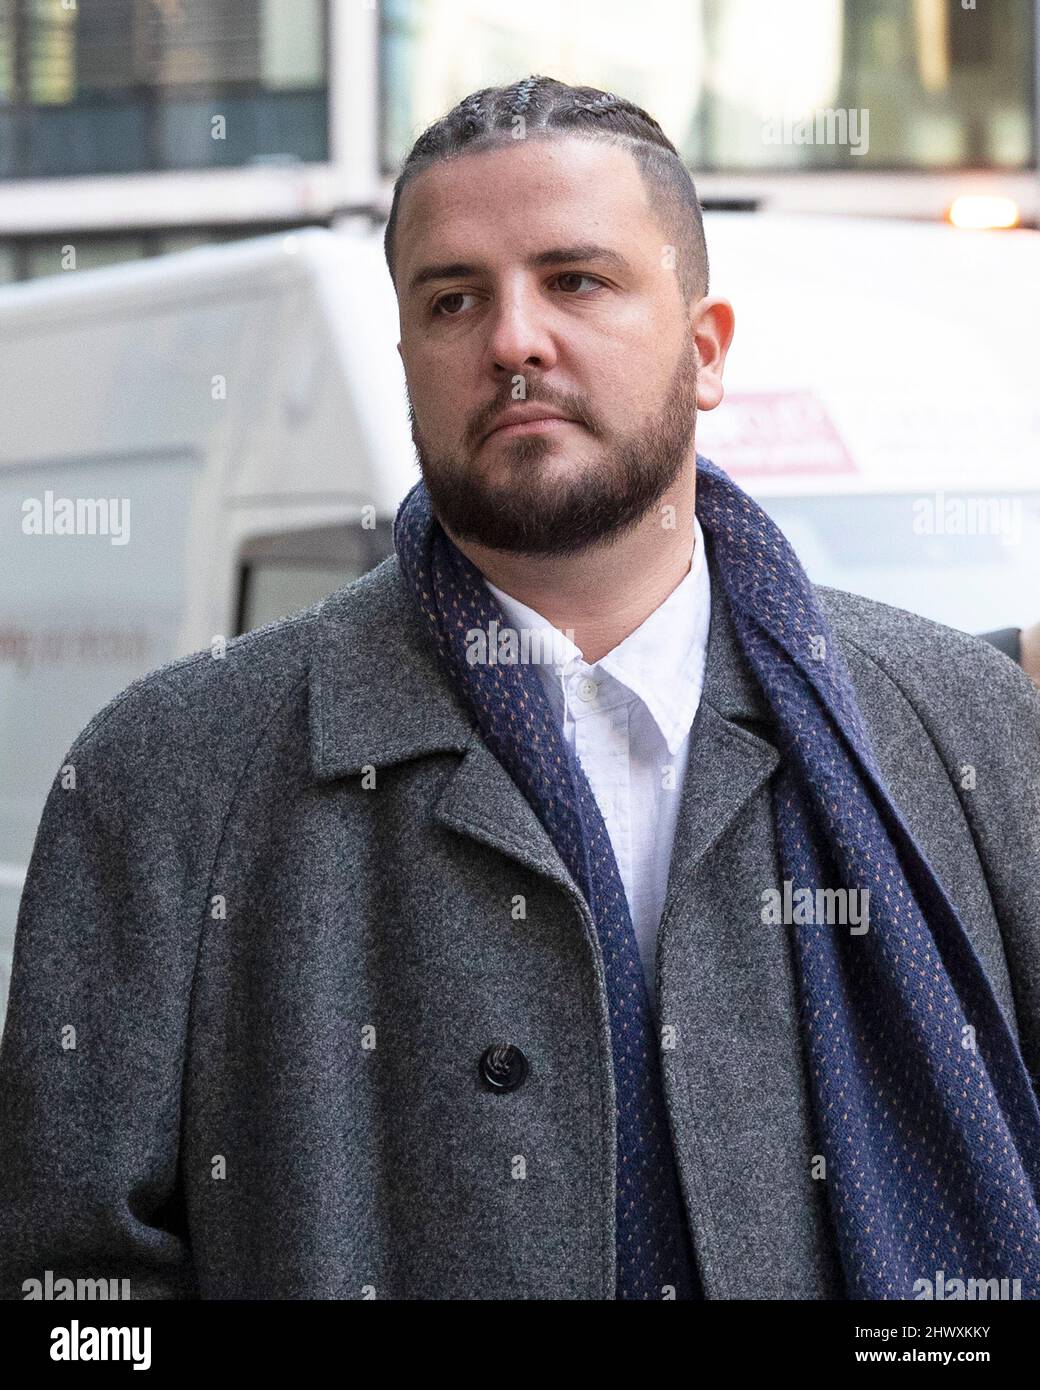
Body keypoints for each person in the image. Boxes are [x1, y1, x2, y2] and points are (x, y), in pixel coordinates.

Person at [2, 75, 1040, 1303]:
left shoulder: (966, 730)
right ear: (407, 360)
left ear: (703, 352)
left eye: (576, 280)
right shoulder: (163, 776)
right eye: (453, 300)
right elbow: (70, 1297)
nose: (512, 340)